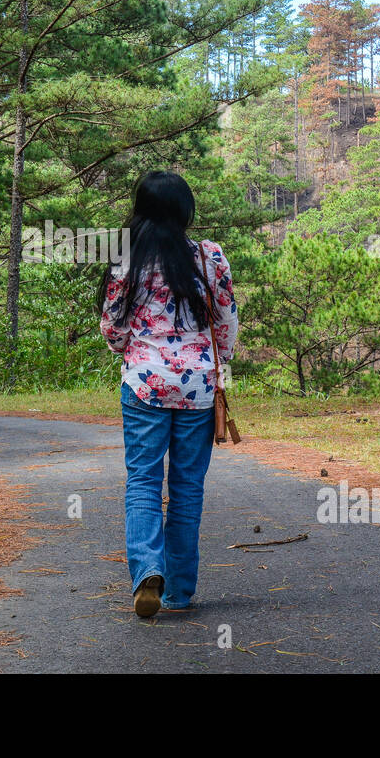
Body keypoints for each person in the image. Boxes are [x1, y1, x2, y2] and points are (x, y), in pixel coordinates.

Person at [97, 171, 238, 618]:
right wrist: (215, 365)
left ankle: (146, 573)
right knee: (187, 487)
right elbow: (226, 323)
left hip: (144, 384)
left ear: (141, 209)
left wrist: (134, 351)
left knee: (142, 481)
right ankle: (179, 591)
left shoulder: (126, 257)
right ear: (184, 211)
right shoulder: (209, 256)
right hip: (197, 387)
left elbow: (112, 327)